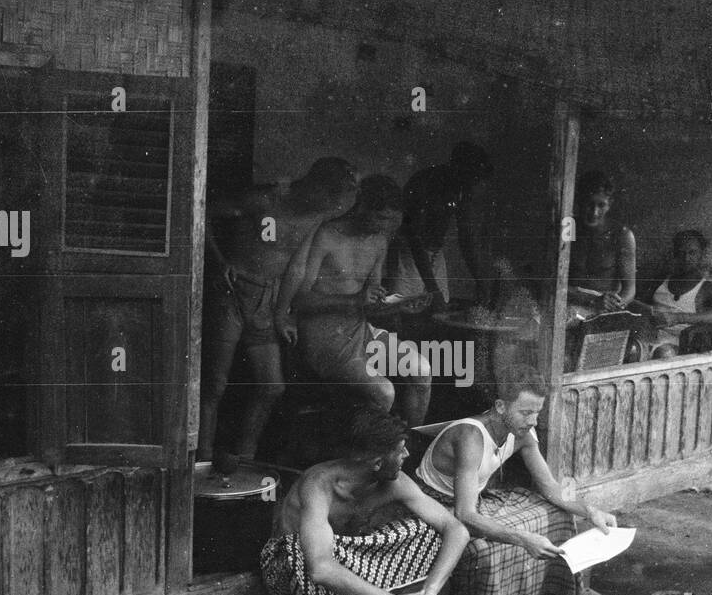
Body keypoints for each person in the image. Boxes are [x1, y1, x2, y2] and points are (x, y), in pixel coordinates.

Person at [261, 405, 469, 595]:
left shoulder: (395, 482)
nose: (407, 455)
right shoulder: (319, 485)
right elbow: (320, 569)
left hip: (340, 559)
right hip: (286, 572)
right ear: (376, 462)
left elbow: (456, 528)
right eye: (401, 449)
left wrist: (428, 593)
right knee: (305, 547)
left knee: (426, 530)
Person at [199, 157, 359, 466]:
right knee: (214, 384)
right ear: (314, 186)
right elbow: (202, 210)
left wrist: (282, 314)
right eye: (332, 197)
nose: (335, 206)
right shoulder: (263, 198)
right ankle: (202, 462)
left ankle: (245, 460)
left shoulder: (318, 215)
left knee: (272, 386)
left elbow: (297, 267)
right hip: (231, 294)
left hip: (266, 299)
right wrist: (219, 261)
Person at [417, 364, 616, 558]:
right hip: (432, 500)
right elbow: (465, 514)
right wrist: (524, 539)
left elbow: (551, 485)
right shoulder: (471, 437)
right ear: (501, 406)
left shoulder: (524, 432)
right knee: (485, 550)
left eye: (537, 412)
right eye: (526, 413)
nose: (533, 421)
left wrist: (591, 511)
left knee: (561, 516)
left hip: (472, 499)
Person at [291, 175, 432, 428]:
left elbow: (371, 303)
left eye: (391, 220)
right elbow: (300, 300)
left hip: (361, 331)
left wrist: (400, 305)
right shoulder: (327, 235)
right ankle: (370, 459)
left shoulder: (378, 240)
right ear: (362, 205)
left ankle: (407, 450)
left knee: (422, 370)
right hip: (324, 338)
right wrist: (355, 301)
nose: (386, 226)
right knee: (384, 392)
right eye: (381, 218)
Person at [390, 141, 495, 307]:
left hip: (434, 254)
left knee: (439, 309)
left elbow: (466, 237)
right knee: (405, 311)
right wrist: (433, 289)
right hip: (407, 254)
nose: (473, 184)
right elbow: (415, 240)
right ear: (457, 167)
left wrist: (480, 281)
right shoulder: (423, 183)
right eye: (471, 177)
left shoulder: (463, 188)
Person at [643, 229, 712, 355]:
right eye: (681, 253)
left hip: (680, 346)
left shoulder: (708, 288)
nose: (686, 258)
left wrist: (678, 318)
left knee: (664, 353)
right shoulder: (660, 281)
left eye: (692, 253)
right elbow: (640, 306)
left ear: (701, 255)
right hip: (649, 339)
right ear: (674, 255)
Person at [567, 171, 637, 315]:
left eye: (601, 205)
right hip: (569, 301)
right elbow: (554, 279)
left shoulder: (622, 235)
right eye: (589, 204)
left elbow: (629, 290)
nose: (594, 212)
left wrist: (614, 304)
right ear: (579, 201)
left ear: (609, 204)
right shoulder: (569, 227)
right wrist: (588, 300)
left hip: (603, 309)